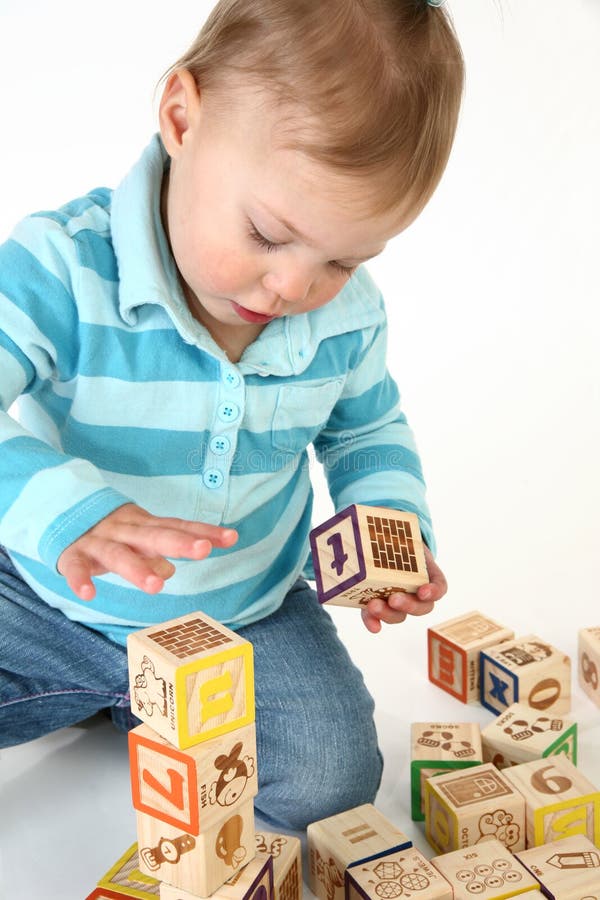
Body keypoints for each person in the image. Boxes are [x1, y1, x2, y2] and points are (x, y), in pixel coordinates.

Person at [0, 0, 463, 829]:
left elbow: (365, 427)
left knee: (333, 781)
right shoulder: (60, 263)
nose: (294, 289)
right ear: (182, 118)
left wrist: (387, 519)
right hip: (42, 598)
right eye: (266, 233)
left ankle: (148, 705)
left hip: (243, 615)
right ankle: (98, 690)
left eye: (344, 258)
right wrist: (71, 511)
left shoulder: (346, 317)